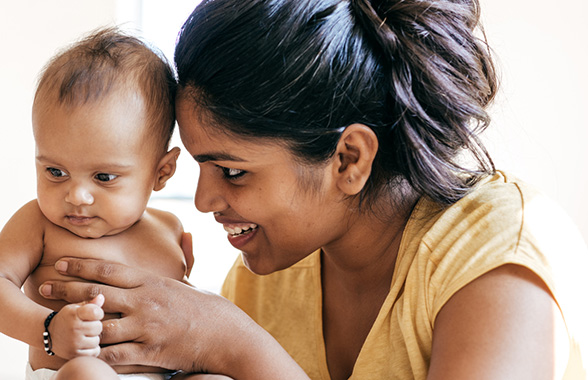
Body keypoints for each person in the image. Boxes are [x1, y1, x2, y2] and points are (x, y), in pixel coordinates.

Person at [30, 0, 588, 379]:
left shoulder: (493, 255)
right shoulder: (263, 281)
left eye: (233, 171)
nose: (204, 201)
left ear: (348, 159)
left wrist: (237, 346)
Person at [0, 27, 228, 380]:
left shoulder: (170, 229)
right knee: (89, 373)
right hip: (74, 373)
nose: (76, 196)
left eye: (104, 178)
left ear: (162, 172)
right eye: (55, 171)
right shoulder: (38, 223)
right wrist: (49, 330)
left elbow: (178, 312)